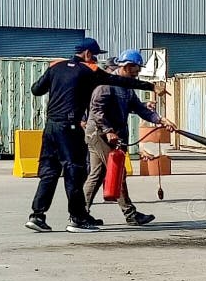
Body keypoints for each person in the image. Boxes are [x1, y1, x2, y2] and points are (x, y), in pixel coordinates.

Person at [25, 38, 161, 233]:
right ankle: (78, 219)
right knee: (75, 172)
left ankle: (37, 216)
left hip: (50, 128)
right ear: (88, 54)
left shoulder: (56, 66)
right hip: (70, 128)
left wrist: (59, 81)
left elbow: (36, 90)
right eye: (95, 56)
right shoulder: (89, 70)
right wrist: (150, 87)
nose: (96, 60)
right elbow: (117, 80)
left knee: (49, 172)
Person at [83, 49, 177, 226]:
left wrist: (160, 119)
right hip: (99, 134)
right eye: (136, 70)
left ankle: (79, 212)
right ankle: (130, 214)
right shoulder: (106, 84)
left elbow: (139, 108)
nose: (138, 74)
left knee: (97, 174)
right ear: (126, 67)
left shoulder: (127, 87)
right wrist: (108, 130)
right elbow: (96, 110)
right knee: (118, 172)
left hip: (111, 133)